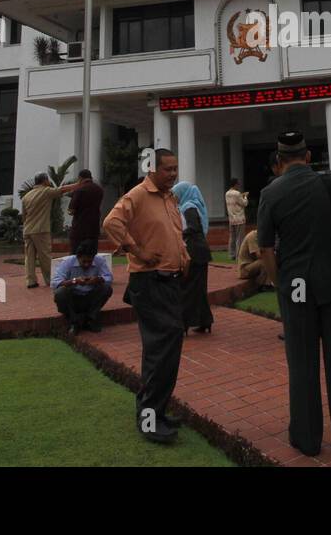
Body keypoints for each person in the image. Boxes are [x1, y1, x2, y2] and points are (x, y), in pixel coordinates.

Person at [257, 131, 331, 458]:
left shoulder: (270, 192)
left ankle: (306, 439)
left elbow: (265, 247)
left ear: (279, 161)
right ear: (308, 157)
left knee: (302, 363)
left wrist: (280, 283)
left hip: (295, 285)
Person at [103, 149, 190, 444]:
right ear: (152, 169)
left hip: (169, 282)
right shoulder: (138, 194)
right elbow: (111, 223)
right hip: (150, 282)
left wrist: (184, 255)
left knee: (168, 348)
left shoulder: (170, 197)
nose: (173, 174)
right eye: (168, 169)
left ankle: (158, 411)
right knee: (159, 352)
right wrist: (137, 250)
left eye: (176, 169)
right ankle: (150, 419)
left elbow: (173, 233)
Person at [21, 173, 84, 289]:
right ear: (44, 181)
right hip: (40, 229)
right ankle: (51, 279)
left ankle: (30, 281)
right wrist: (78, 184)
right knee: (44, 255)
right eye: (48, 180)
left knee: (29, 257)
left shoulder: (26, 196)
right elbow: (62, 189)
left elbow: (23, 216)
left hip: (27, 229)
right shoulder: (45, 191)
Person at [174, 181, 213, 334]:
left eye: (177, 195)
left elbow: (194, 227)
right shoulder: (193, 205)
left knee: (188, 287)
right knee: (198, 288)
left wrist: (178, 234)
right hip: (200, 251)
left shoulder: (189, 206)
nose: (175, 198)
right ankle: (205, 321)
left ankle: (185, 322)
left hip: (195, 252)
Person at [51, 240, 114, 333]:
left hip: (90, 296)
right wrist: (74, 281)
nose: (87, 264)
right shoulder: (68, 262)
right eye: (84, 261)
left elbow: (109, 278)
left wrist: (98, 279)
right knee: (60, 293)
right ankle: (73, 322)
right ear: (78, 257)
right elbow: (55, 283)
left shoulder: (99, 260)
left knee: (106, 288)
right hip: (73, 297)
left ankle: (90, 318)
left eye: (90, 261)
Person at [68, 170, 105, 255]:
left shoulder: (79, 190)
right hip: (94, 228)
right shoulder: (99, 189)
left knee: (76, 256)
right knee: (92, 255)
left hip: (79, 229)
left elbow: (71, 210)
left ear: (80, 178)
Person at [224, 178, 248, 260]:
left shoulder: (227, 193)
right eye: (238, 184)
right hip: (239, 218)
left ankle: (232, 255)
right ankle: (239, 255)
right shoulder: (237, 193)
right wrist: (245, 196)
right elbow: (244, 203)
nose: (239, 185)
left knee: (232, 238)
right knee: (240, 238)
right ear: (235, 184)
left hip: (231, 219)